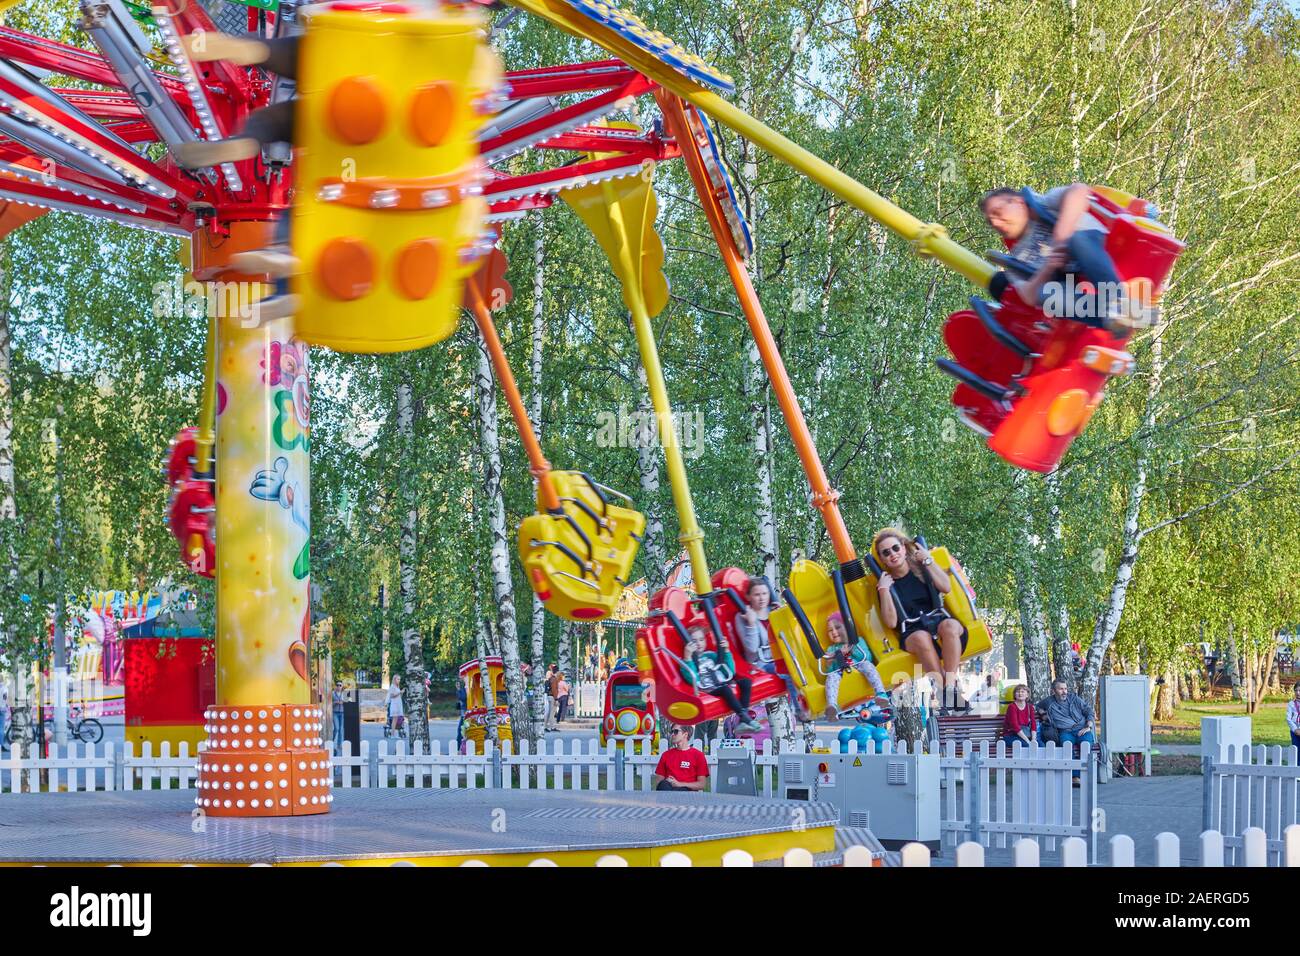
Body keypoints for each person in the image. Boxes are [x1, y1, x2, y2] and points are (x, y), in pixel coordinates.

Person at [980, 184, 1145, 335]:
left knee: (1076, 239)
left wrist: (1062, 233)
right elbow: (1028, 296)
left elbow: (1079, 190)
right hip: (1071, 279)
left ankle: (1119, 301)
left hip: (1093, 247)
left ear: (1018, 201)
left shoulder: (1044, 203)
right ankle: (1121, 317)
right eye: (990, 221)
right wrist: (1049, 267)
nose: (995, 222)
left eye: (997, 212)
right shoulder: (1016, 260)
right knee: (1047, 296)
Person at [873, 527, 967, 710]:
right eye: (886, 553)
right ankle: (944, 692)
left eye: (895, 548)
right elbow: (891, 622)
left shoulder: (921, 568)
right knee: (921, 637)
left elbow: (946, 587)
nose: (892, 554)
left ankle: (949, 686)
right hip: (912, 630)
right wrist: (883, 590)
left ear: (902, 547)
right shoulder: (886, 583)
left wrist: (928, 560)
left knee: (950, 626)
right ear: (882, 559)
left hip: (938, 620)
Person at [735, 576, 812, 721]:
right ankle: (798, 709)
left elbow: (791, 635)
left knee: (804, 662)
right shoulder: (743, 616)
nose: (761, 598)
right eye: (757, 594)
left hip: (781, 656)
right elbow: (751, 650)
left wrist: (782, 617)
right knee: (790, 669)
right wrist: (751, 624)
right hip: (761, 662)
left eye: (764, 593)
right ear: (748, 596)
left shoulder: (773, 611)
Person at [679, 626, 761, 732]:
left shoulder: (711, 655)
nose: (699, 643)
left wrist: (726, 651)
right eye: (694, 641)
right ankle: (746, 718)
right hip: (708, 689)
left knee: (746, 682)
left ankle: (743, 721)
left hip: (721, 682)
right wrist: (688, 657)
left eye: (701, 639)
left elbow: (730, 671)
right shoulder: (686, 661)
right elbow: (691, 679)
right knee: (726, 689)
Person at [820, 611, 886, 720]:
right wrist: (831, 662)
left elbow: (866, 657)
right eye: (830, 630)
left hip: (859, 669)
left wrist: (851, 650)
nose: (834, 632)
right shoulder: (831, 649)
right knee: (831, 677)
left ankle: (880, 693)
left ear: (848, 627)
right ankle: (832, 706)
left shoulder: (857, 641)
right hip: (841, 673)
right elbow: (830, 671)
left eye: (837, 627)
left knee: (868, 665)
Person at [1038, 678, 1096, 784]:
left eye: (1065, 689)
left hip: (1082, 729)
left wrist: (1089, 725)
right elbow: (1038, 706)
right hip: (1066, 731)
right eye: (1061, 689)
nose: (1064, 691)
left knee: (1086, 746)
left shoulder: (1074, 698)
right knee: (1067, 747)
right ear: (1053, 690)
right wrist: (1043, 715)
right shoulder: (1049, 701)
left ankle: (1087, 775)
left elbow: (1088, 710)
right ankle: (1075, 777)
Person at [651, 724, 710, 791]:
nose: (672, 734)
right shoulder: (666, 755)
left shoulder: (698, 755)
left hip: (687, 794)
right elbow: (658, 783)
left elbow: (701, 784)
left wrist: (679, 784)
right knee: (664, 784)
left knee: (681, 790)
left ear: (685, 734)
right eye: (671, 732)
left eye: (676, 731)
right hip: (668, 790)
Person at [1002, 684, 1036, 750]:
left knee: (1040, 745)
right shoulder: (1012, 707)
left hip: (1026, 735)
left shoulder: (1030, 707)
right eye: (1017, 691)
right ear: (1014, 695)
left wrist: (1033, 739)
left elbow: (1033, 724)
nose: (1020, 693)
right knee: (1027, 746)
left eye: (1023, 691)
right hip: (1011, 736)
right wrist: (1028, 741)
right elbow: (1015, 726)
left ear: (1027, 695)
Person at [544, 664, 560, 732]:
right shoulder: (554, 679)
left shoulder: (551, 678)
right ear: (557, 671)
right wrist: (556, 699)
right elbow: (554, 689)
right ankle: (552, 727)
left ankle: (545, 726)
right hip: (552, 696)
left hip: (549, 696)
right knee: (552, 712)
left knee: (549, 712)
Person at [331, 681, 345, 754]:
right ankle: (332, 741)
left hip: (342, 713)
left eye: (340, 685)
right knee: (336, 728)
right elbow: (329, 704)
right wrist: (335, 703)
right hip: (335, 712)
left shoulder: (344, 694)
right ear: (335, 686)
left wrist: (343, 703)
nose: (338, 686)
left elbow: (348, 702)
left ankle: (339, 745)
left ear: (342, 686)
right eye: (337, 685)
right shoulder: (333, 694)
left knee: (341, 729)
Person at [1287, 682, 1300, 751]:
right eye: (1296, 690)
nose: (1298, 693)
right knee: (1296, 750)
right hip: (1295, 730)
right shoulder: (1291, 704)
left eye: (1299, 690)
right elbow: (1288, 719)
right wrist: (1295, 729)